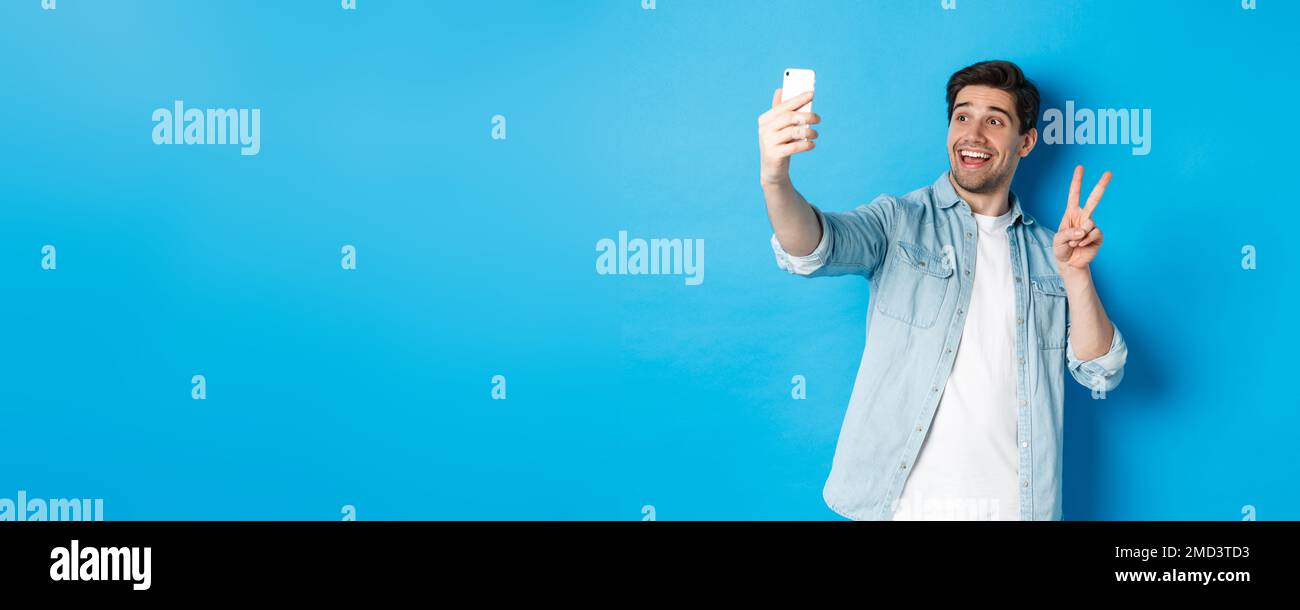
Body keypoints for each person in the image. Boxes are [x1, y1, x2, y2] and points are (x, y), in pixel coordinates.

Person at [757, 60, 1127, 520]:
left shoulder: (1051, 251)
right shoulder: (898, 221)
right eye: (962, 116)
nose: (973, 134)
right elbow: (814, 246)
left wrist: (1075, 275)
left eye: (995, 120)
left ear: (1026, 142)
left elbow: (1101, 372)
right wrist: (776, 180)